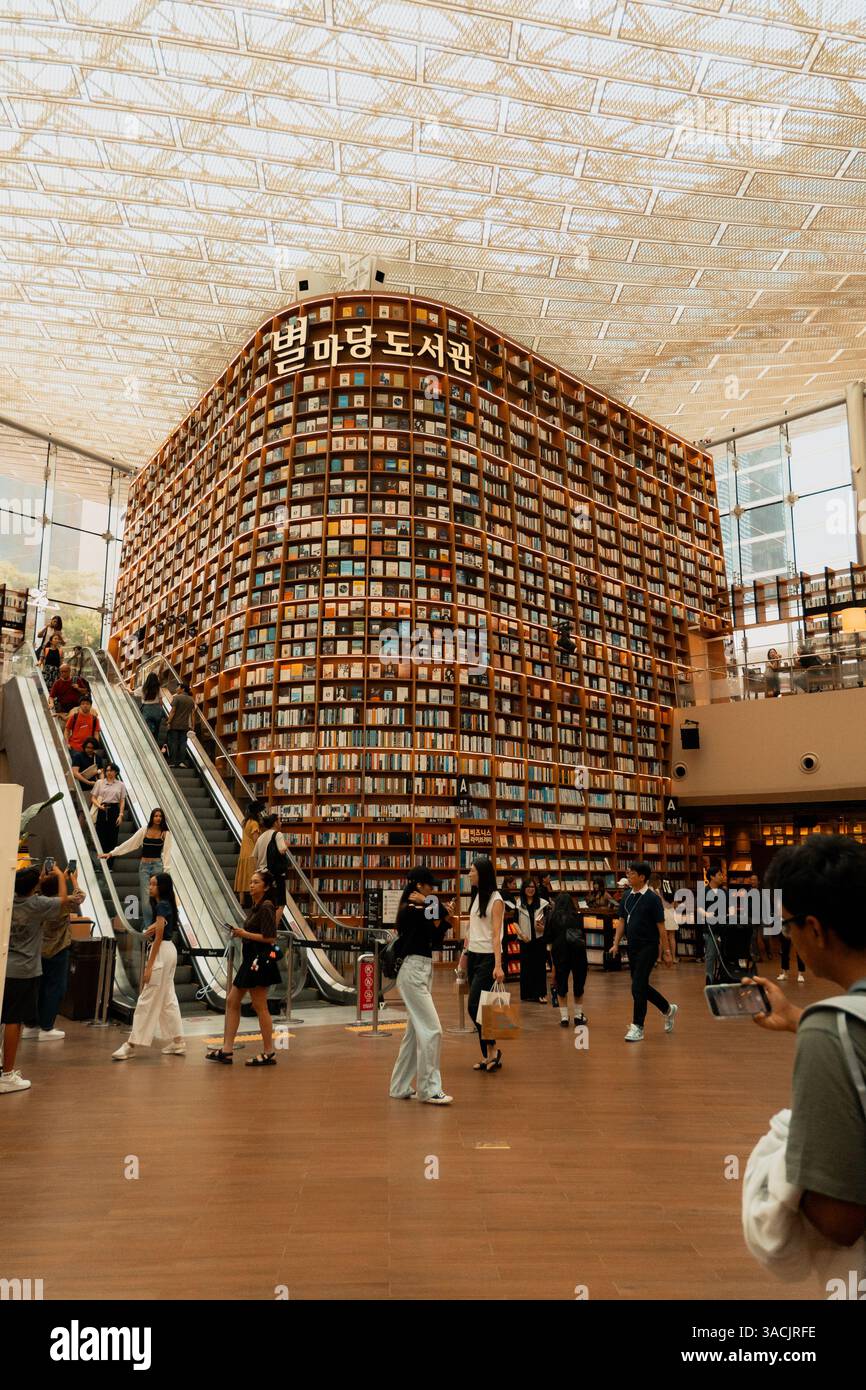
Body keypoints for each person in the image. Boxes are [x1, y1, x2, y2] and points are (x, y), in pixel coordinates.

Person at [742, 835, 866, 1278]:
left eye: (787, 925)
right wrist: (797, 1016)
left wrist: (771, 1161)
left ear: (813, 929)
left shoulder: (829, 1031)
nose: (786, 935)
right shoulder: (830, 1024)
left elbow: (840, 1217)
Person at [388, 867, 454, 1104]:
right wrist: (434, 905)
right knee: (432, 1029)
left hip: (422, 969)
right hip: (413, 971)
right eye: (430, 886)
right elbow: (439, 910)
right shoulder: (410, 909)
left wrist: (443, 920)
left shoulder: (422, 906)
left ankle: (399, 1086)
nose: (433, 890)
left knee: (416, 1033)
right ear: (419, 886)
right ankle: (429, 1089)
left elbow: (433, 938)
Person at [1, 865, 69, 1093]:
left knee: (5, 1018)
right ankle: (7, 1074)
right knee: (13, 1020)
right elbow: (62, 901)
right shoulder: (37, 905)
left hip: (5, 967)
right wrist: (60, 876)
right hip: (25, 969)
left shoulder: (9, 901)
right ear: (34, 887)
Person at [206, 870, 281, 1067]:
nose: (251, 885)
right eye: (250, 882)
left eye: (255, 882)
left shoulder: (265, 907)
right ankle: (227, 1049)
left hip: (259, 962)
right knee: (232, 1001)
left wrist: (244, 933)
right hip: (252, 961)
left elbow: (270, 937)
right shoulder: (257, 906)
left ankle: (268, 1051)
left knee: (260, 1006)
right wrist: (242, 933)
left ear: (265, 887)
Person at [113, 872, 185, 1060]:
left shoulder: (161, 905)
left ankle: (131, 1044)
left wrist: (149, 966)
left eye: (153, 884)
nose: (149, 887)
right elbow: (161, 928)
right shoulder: (166, 905)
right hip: (170, 951)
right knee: (168, 998)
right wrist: (152, 928)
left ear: (161, 887)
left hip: (161, 952)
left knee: (147, 998)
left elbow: (159, 936)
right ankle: (178, 1041)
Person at [611, 861, 676, 1043]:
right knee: (640, 986)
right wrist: (616, 943)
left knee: (637, 986)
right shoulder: (626, 896)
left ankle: (637, 1026)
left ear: (642, 877)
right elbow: (622, 921)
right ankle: (668, 1009)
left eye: (632, 874)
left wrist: (667, 952)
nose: (628, 876)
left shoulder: (652, 898)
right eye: (628, 873)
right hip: (633, 947)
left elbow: (661, 927)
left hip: (649, 946)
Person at [21, 865, 86, 1042]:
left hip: (37, 950)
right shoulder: (63, 904)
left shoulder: (36, 902)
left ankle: (30, 1025)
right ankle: (47, 1027)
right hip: (58, 950)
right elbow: (80, 896)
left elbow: (38, 888)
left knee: (37, 988)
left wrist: (48, 878)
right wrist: (71, 879)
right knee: (55, 988)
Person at [464, 856, 505, 1073]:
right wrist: (464, 956)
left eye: (472, 871)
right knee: (482, 1008)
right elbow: (471, 929)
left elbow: (496, 934)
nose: (469, 874)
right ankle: (488, 1055)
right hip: (474, 955)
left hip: (488, 957)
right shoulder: (477, 895)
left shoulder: (496, 900)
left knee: (475, 1006)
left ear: (482, 873)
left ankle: (494, 1049)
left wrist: (498, 965)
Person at [101, 808, 172, 927]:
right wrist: (112, 853)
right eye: (156, 816)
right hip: (144, 867)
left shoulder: (165, 833)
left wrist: (166, 873)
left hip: (157, 867)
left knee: (156, 899)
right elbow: (130, 843)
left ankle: (156, 925)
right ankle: (148, 925)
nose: (158, 818)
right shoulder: (145, 830)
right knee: (145, 899)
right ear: (152, 817)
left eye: (160, 816)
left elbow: (167, 853)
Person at [544, 892, 589, 1028]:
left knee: (561, 984)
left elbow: (547, 938)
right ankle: (577, 1015)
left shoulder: (552, 917)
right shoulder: (578, 916)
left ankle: (564, 1017)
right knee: (579, 984)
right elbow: (582, 935)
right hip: (578, 953)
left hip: (560, 953)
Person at [516, 878, 549, 1002]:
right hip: (525, 940)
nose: (531, 889)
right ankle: (527, 994)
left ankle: (541, 994)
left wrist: (543, 927)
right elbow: (515, 922)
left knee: (540, 967)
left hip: (539, 940)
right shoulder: (519, 904)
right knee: (526, 967)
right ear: (524, 889)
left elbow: (547, 922)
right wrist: (521, 934)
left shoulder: (543, 903)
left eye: (533, 887)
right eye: (528, 887)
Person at [90, 762, 126, 853]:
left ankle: (110, 863)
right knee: (101, 835)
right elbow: (93, 798)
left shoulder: (121, 784)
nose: (109, 772)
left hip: (114, 810)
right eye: (107, 770)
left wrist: (121, 815)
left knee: (113, 837)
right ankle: (101, 861)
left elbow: (122, 800)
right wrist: (99, 806)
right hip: (102, 809)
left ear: (116, 772)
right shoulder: (99, 783)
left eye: (111, 770)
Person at [700, 864, 727, 984]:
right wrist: (706, 914)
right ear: (712, 877)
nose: (722, 877)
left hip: (723, 927)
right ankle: (709, 978)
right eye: (719, 875)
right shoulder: (704, 891)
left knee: (725, 954)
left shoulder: (723, 891)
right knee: (711, 955)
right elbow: (699, 908)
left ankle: (723, 975)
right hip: (710, 928)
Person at [234, 800, 263, 905]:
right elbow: (256, 840)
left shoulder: (245, 822)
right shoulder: (255, 824)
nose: (260, 814)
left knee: (242, 878)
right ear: (256, 813)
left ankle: (241, 902)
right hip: (251, 854)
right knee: (253, 879)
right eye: (259, 812)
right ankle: (254, 902)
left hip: (243, 853)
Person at [166, 681, 195, 766]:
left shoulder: (177, 698)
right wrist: (193, 726)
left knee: (174, 742)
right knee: (183, 743)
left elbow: (173, 711)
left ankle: (173, 761)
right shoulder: (191, 700)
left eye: (178, 687)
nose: (176, 689)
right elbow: (192, 714)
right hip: (185, 725)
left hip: (175, 724)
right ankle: (182, 761)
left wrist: (168, 722)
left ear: (182, 689)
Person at [139, 671, 164, 742]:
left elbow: (133, 692)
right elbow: (160, 700)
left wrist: (127, 689)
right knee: (157, 728)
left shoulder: (143, 688)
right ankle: (155, 742)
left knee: (146, 728)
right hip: (157, 709)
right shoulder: (158, 688)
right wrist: (161, 709)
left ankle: (148, 742)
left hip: (146, 709)